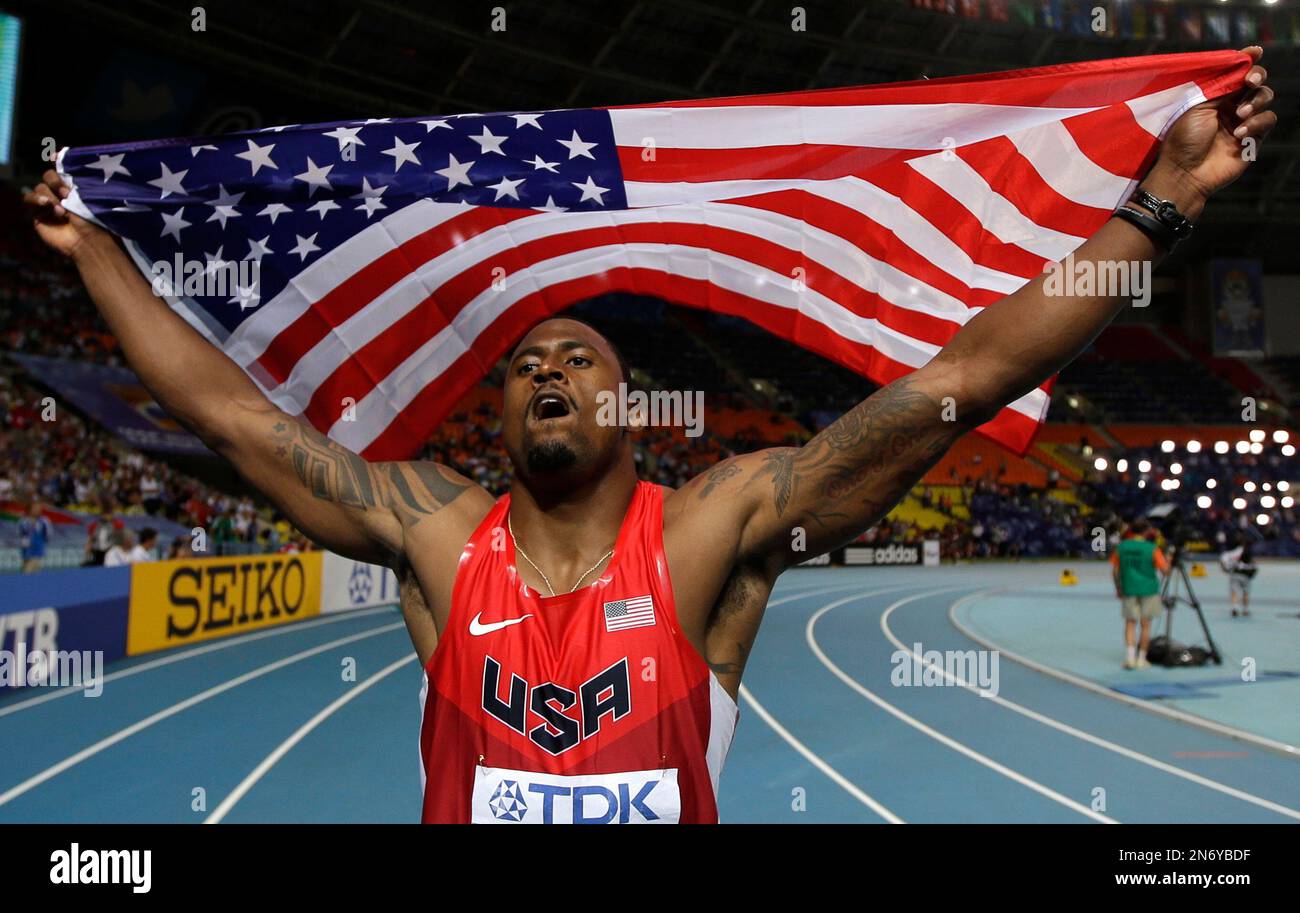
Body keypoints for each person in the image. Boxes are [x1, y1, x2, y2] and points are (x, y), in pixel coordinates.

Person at [25, 50, 1276, 823]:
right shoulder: (436, 531)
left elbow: (965, 373)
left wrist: (1159, 207)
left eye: (582, 357)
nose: (551, 368)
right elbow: (230, 412)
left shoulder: (710, 526)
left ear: (628, 405)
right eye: (525, 364)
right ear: (499, 414)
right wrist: (93, 248)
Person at [1110, 518, 1171, 669]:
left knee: (1130, 623)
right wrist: (1169, 559)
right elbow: (1165, 571)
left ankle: (1130, 658)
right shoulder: (1152, 548)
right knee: (1145, 625)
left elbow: (1115, 571)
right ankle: (1141, 659)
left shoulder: (1122, 547)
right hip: (1148, 589)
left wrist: (1118, 588)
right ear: (1146, 531)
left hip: (1129, 588)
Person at [1220, 539, 1258, 617]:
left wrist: (1226, 569)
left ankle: (1235, 608)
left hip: (1236, 574)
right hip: (1246, 575)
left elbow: (1225, 562)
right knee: (1246, 592)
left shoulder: (1231, 553)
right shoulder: (1246, 552)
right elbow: (1254, 566)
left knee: (1234, 591)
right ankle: (1245, 609)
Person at [18, 500, 54, 574]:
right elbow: (20, 534)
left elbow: (48, 534)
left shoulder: (44, 521)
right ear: (29, 509)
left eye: (38, 508)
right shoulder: (23, 521)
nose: (37, 510)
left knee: (28, 573)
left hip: (37, 552)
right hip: (26, 552)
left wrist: (43, 544)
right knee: (25, 571)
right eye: (35, 508)